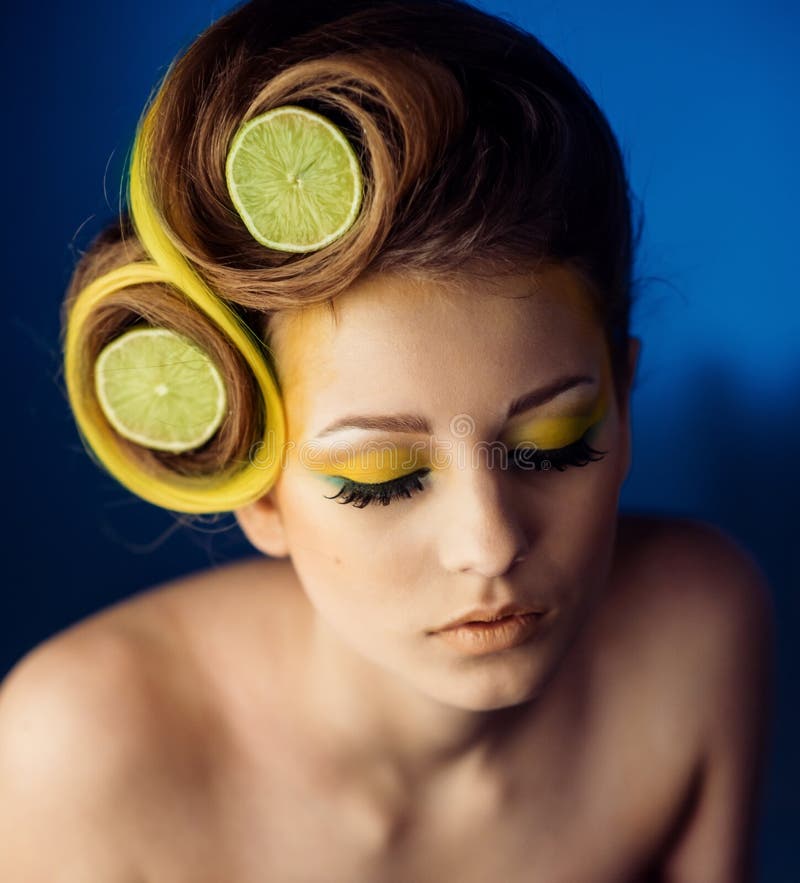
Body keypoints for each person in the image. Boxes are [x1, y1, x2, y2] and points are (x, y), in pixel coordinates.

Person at [0, 1, 774, 880]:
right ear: (252, 484)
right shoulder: (75, 757)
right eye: (383, 477)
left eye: (553, 443)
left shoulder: (699, 633)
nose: (490, 543)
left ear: (625, 403)